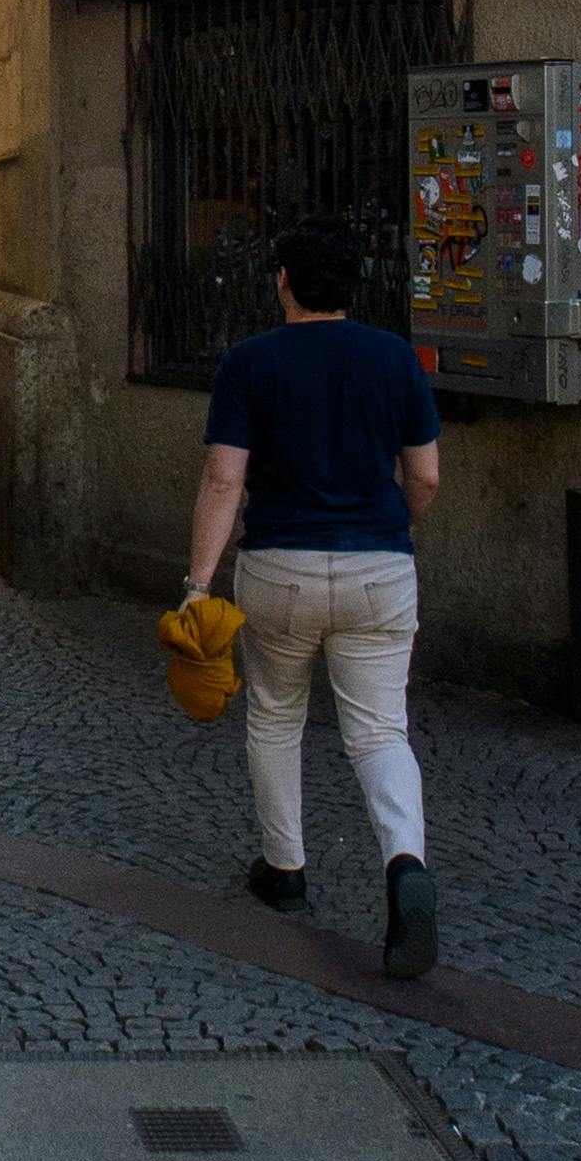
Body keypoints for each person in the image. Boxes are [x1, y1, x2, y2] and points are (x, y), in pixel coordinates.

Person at [180, 214, 443, 978]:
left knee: (276, 713)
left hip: (280, 567)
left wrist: (199, 583)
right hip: (380, 570)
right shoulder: (395, 360)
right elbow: (424, 476)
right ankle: (404, 865)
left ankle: (285, 870)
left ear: (283, 282)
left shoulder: (250, 363)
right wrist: (395, 523)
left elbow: (224, 479)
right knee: (379, 732)